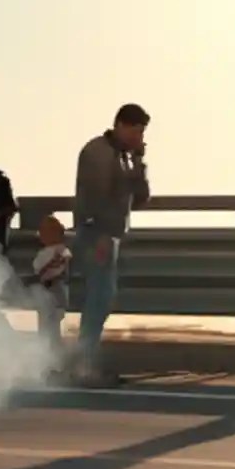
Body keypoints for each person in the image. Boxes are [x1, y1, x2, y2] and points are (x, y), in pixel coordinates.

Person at [72, 103, 151, 387]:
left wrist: (139, 163)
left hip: (110, 235)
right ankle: (84, 365)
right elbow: (94, 197)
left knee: (102, 299)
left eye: (142, 132)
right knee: (98, 300)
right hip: (97, 234)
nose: (138, 136)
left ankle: (86, 363)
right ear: (120, 125)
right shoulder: (98, 152)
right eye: (135, 130)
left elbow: (141, 198)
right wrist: (101, 234)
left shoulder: (126, 158)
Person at [26, 214, 71, 367]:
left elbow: (47, 271)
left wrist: (40, 278)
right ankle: (49, 360)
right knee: (48, 327)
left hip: (53, 292)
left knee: (50, 329)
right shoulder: (59, 251)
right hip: (50, 293)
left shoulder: (59, 252)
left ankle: (52, 361)